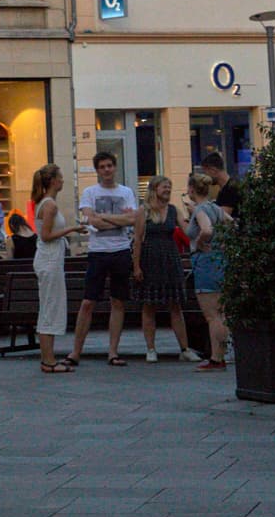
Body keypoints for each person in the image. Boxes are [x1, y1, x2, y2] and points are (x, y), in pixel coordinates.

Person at [69, 151, 140, 366]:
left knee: (117, 301)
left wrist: (105, 218)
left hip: (120, 250)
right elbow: (92, 221)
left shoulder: (126, 192)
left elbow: (132, 219)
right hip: (98, 252)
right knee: (88, 301)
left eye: (110, 165)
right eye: (102, 167)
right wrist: (118, 220)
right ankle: (75, 352)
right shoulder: (90, 192)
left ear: (115, 167)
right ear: (97, 170)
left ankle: (113, 351)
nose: (107, 170)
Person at [131, 175, 200, 363]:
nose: (168, 190)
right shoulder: (142, 212)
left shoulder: (173, 210)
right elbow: (137, 240)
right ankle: (151, 348)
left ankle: (184, 348)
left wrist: (197, 215)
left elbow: (187, 232)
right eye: (164, 187)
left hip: (170, 258)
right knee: (149, 305)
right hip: (150, 258)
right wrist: (136, 266)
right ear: (154, 189)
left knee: (176, 304)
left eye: (169, 187)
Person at [31, 163, 79, 374]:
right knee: (50, 308)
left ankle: (48, 357)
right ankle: (48, 360)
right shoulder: (49, 205)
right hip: (49, 259)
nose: (62, 180)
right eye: (59, 177)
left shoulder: (45, 203)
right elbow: (46, 235)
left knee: (50, 306)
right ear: (52, 181)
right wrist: (72, 228)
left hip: (49, 259)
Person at [186, 168, 231, 372]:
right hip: (220, 260)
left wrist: (199, 242)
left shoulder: (201, 210)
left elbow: (206, 229)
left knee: (212, 315)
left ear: (192, 189)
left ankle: (216, 358)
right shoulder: (216, 208)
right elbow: (233, 225)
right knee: (221, 314)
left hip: (205, 263)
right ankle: (220, 355)